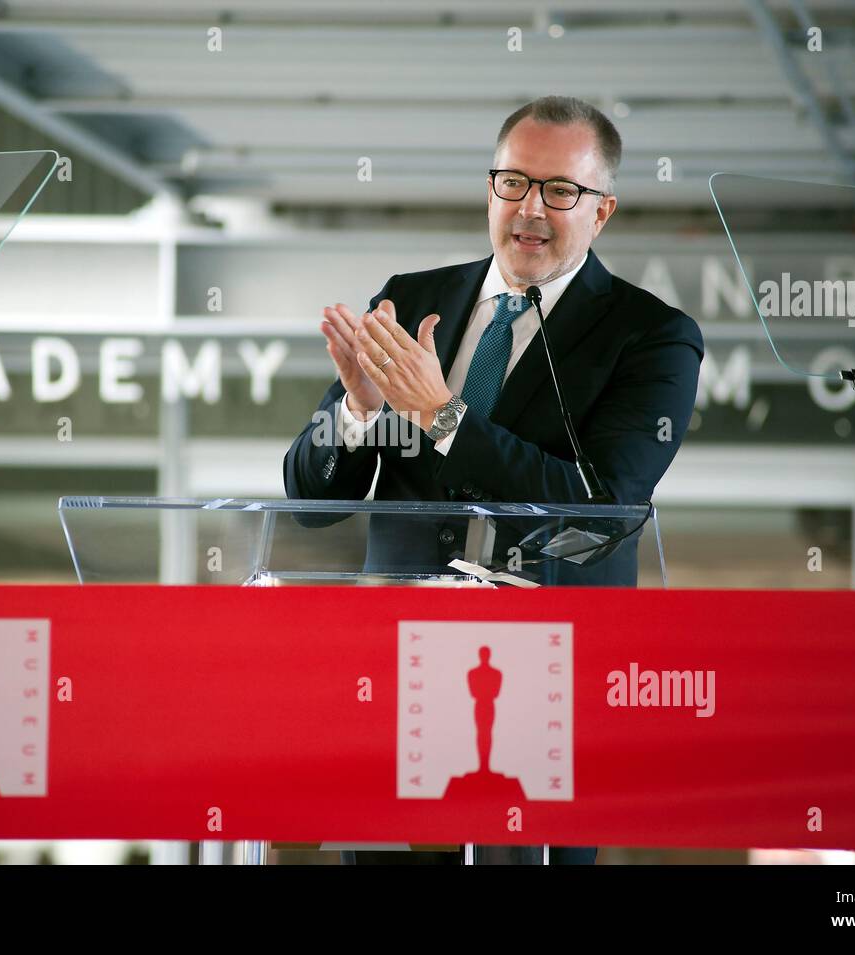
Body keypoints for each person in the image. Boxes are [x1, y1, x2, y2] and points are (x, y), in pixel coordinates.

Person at [284, 96, 704, 863]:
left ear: (602, 211)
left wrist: (442, 415)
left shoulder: (654, 338)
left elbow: (604, 503)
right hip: (395, 683)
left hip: (546, 702)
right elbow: (309, 503)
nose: (530, 209)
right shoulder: (410, 300)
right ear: (489, 190)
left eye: (559, 190)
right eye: (513, 183)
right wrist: (354, 408)